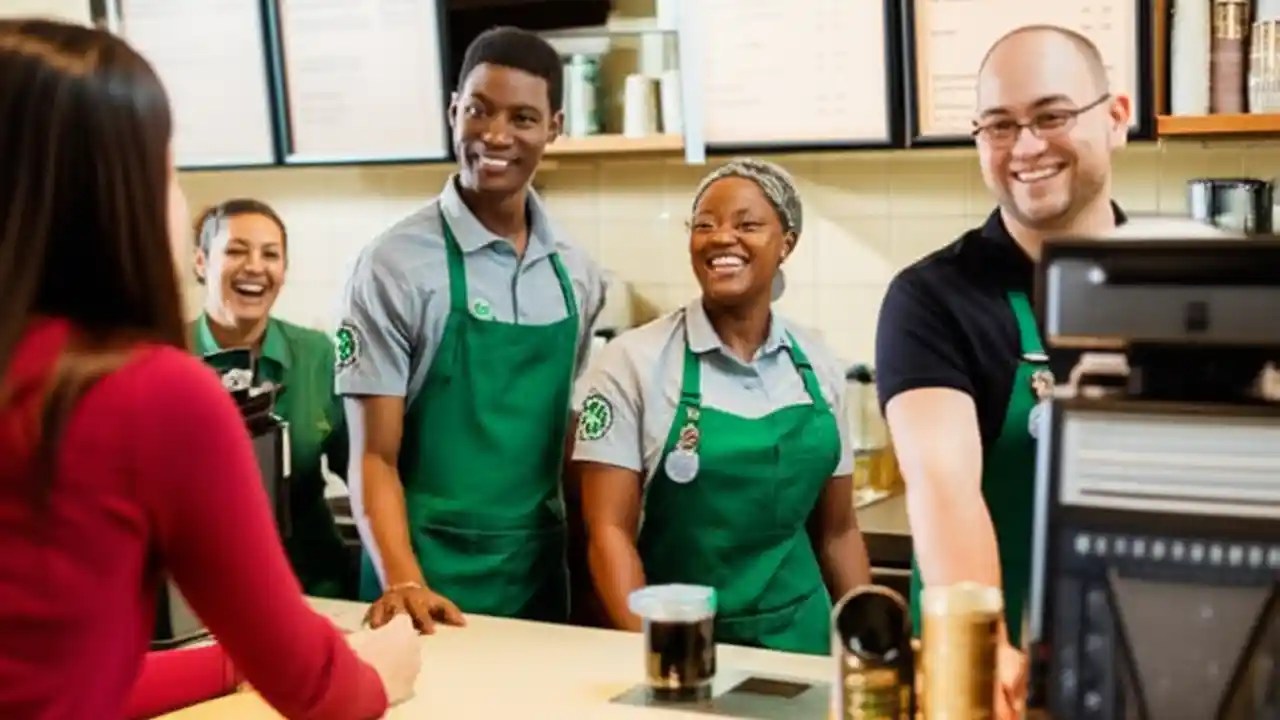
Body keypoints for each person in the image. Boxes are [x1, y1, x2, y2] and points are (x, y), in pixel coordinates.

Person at [0, 18, 419, 719]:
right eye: (168, 170)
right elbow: (320, 691)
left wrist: (225, 664)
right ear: (117, 194)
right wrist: (381, 674)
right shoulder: (153, 393)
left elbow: (63, 673)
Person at [873, 25, 1130, 717]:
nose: (1027, 147)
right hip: (989, 682)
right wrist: (984, 643)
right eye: (999, 125)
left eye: (1052, 116)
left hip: (1154, 670)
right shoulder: (932, 299)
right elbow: (943, 484)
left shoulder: (1182, 291)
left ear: (1116, 118)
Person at [336, 26, 607, 631]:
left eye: (523, 118)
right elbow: (373, 457)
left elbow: (567, 439)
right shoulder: (392, 266)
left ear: (555, 127)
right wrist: (405, 581)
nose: (497, 136)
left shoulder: (578, 274)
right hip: (421, 582)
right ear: (452, 110)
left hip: (538, 582)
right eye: (479, 110)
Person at [572, 158, 873, 656]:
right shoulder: (631, 363)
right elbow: (608, 535)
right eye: (705, 225)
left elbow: (838, 531)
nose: (721, 238)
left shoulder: (817, 363)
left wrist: (867, 639)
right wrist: (654, 654)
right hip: (684, 642)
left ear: (787, 243)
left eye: (747, 224)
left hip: (805, 643)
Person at [189, 198, 353, 599]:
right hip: (198, 592)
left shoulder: (316, 354)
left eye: (270, 255)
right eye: (236, 251)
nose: (255, 267)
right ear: (200, 263)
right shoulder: (164, 356)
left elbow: (363, 469)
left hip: (313, 585)